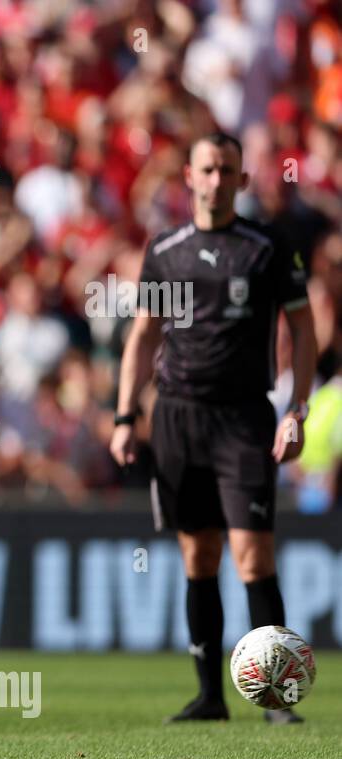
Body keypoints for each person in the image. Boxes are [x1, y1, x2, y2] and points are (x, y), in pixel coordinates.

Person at [111, 133, 316, 724]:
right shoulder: (166, 250)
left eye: (228, 169)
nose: (218, 179)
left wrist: (296, 409)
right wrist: (127, 415)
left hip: (243, 416)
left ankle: (276, 697)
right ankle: (209, 696)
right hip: (177, 415)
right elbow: (143, 336)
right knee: (198, 556)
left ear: (242, 180)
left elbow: (303, 330)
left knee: (252, 556)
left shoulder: (267, 248)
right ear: (189, 177)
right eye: (208, 168)